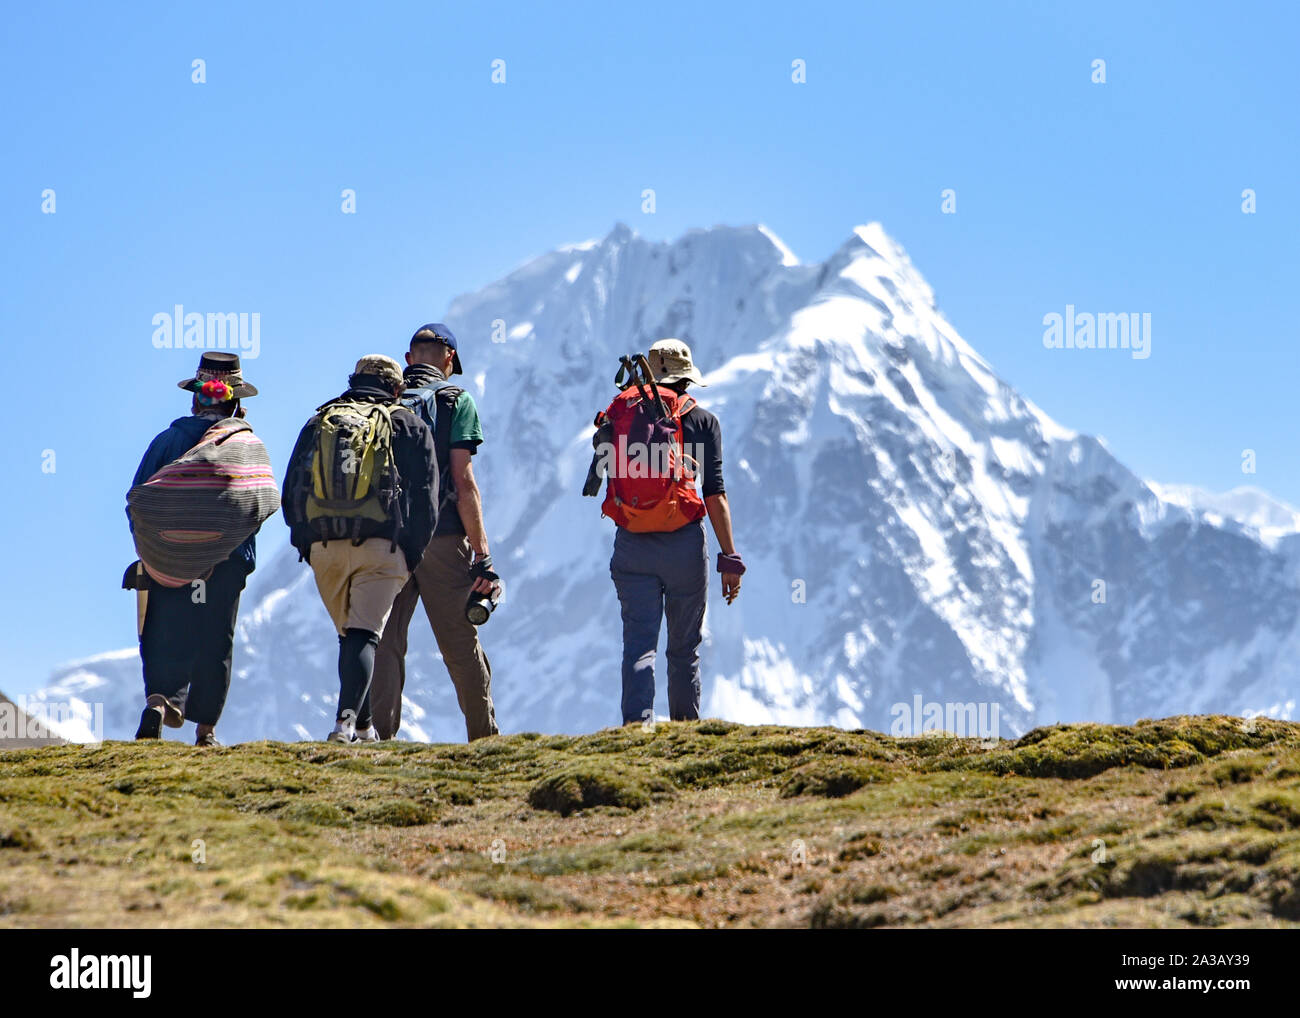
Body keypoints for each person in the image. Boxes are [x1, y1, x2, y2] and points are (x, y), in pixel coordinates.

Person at [282, 355, 438, 743]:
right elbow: (428, 498)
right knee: (363, 635)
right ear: (397, 388)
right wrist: (409, 553)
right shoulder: (407, 423)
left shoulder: (319, 421)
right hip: (381, 547)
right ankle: (344, 724)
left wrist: (307, 541)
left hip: (323, 545)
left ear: (353, 381)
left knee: (352, 636)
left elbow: (291, 491)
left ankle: (365, 728)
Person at [371, 324, 501, 742]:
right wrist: (482, 556)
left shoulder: (379, 403)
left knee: (386, 641)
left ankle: (379, 740)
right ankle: (483, 739)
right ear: (449, 360)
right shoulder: (455, 400)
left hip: (384, 541)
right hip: (441, 538)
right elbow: (464, 482)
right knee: (459, 643)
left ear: (409, 359)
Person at [607, 339, 745, 725]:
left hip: (632, 540)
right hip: (684, 544)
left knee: (638, 647)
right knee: (684, 650)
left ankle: (636, 732)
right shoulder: (702, 421)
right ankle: (686, 733)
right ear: (686, 377)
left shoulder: (624, 414)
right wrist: (729, 557)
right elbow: (714, 493)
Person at [130, 352, 263, 747]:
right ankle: (206, 731)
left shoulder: (168, 440)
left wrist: (151, 548)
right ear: (236, 402)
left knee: (166, 630)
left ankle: (158, 702)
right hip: (225, 560)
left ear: (194, 399)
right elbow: (257, 502)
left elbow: (137, 499)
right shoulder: (247, 444)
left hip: (169, 557)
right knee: (215, 638)